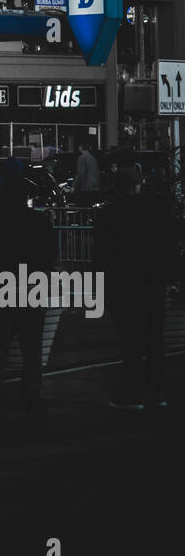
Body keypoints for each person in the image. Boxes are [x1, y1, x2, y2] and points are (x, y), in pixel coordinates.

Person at [93, 166, 179, 409]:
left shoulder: (108, 215)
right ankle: (158, 392)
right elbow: (169, 247)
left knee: (129, 341)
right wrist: (173, 279)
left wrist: (99, 288)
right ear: (137, 185)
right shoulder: (155, 212)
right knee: (154, 339)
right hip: (153, 284)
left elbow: (101, 255)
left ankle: (133, 394)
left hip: (123, 285)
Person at [0, 173, 57, 409]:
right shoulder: (39, 221)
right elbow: (51, 255)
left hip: (2, 287)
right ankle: (32, 392)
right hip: (31, 286)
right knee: (32, 346)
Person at [73, 141, 101, 206]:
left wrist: (74, 185)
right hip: (95, 186)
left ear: (80, 148)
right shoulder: (93, 158)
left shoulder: (82, 158)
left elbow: (81, 173)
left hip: (86, 186)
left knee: (85, 205)